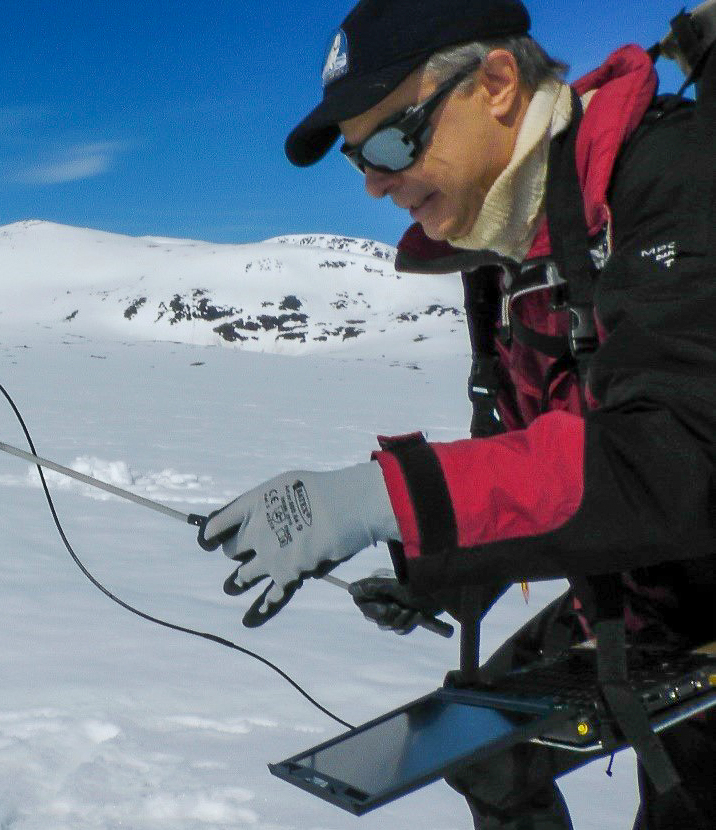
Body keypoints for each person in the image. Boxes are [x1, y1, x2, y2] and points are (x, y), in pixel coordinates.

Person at [197, 0, 716, 827]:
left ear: (498, 83)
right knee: (486, 749)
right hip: (653, 589)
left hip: (692, 585)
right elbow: (546, 456)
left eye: (393, 142)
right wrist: (439, 565)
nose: (373, 183)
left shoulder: (678, 180)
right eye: (356, 160)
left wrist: (391, 500)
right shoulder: (509, 243)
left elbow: (677, 459)